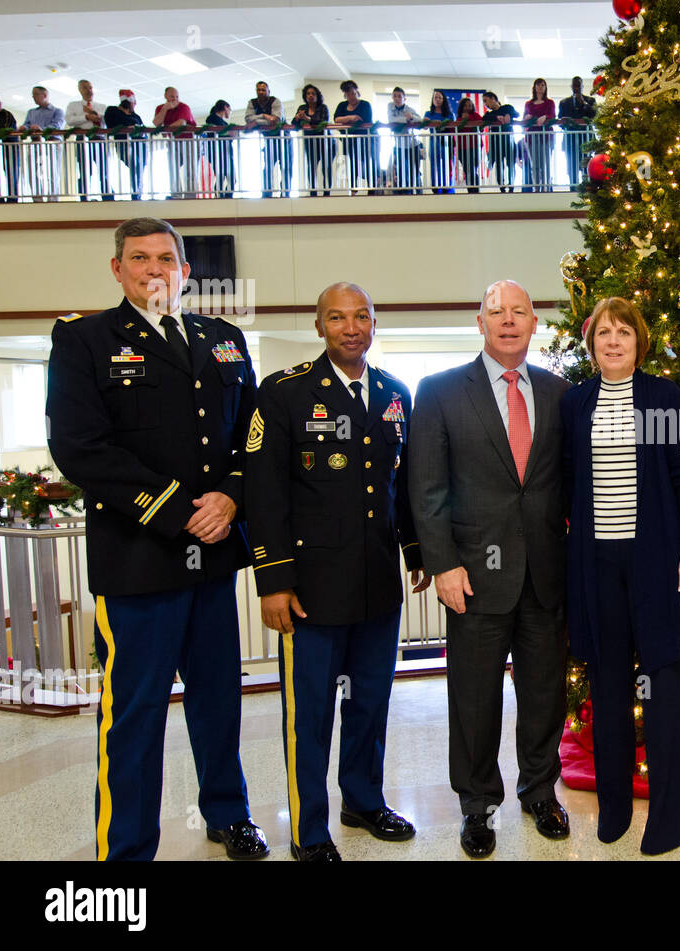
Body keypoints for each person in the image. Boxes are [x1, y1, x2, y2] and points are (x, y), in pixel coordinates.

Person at [45, 216, 267, 861]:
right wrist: (174, 510)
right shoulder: (84, 340)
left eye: (166, 259)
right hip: (138, 561)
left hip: (213, 557)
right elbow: (80, 448)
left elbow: (250, 436)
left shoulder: (222, 339)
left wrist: (230, 497)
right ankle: (127, 850)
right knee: (135, 715)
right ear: (117, 270)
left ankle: (229, 815)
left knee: (219, 700)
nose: (154, 269)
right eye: (139, 258)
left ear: (185, 271)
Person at [246, 282, 426, 861]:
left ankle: (363, 801)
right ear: (320, 325)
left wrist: (416, 551)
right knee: (311, 715)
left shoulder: (395, 393)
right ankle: (308, 829)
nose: (352, 328)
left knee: (371, 702)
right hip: (311, 592)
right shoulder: (285, 393)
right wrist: (273, 580)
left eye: (362, 317)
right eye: (337, 318)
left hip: (377, 585)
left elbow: (399, 489)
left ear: (375, 323)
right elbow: (263, 492)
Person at [408, 280, 571, 858]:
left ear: (534, 324)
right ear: (479, 322)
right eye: (496, 312)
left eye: (518, 312)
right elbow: (426, 489)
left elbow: (569, 485)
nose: (507, 321)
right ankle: (476, 806)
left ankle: (540, 791)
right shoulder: (441, 391)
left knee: (545, 693)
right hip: (473, 576)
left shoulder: (559, 392)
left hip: (547, 575)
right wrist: (443, 564)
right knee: (474, 699)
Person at [561, 297, 680, 854]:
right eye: (603, 334)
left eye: (623, 332)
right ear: (591, 343)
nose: (613, 341)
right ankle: (614, 810)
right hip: (596, 565)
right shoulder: (574, 403)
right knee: (609, 687)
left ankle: (670, 820)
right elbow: (567, 482)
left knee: (666, 690)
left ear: (639, 341)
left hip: (658, 562)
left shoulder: (663, 396)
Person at [65, 79, 110, 200]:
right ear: (80, 90)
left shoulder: (101, 106)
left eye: (90, 87)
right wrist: (86, 116)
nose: (88, 90)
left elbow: (106, 120)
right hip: (83, 139)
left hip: (99, 138)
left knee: (103, 168)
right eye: (85, 88)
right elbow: (70, 120)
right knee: (84, 168)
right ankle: (84, 196)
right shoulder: (73, 105)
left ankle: (106, 195)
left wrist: (93, 114)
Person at [22, 85, 65, 199]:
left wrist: (41, 128)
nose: (33, 97)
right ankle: (37, 199)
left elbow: (57, 125)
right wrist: (23, 128)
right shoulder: (31, 112)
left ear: (45, 95)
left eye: (36, 94)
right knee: (32, 171)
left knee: (52, 172)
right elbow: (27, 124)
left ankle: (53, 199)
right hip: (35, 143)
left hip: (52, 143)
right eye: (33, 95)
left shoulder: (57, 111)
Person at [105, 90, 147, 201]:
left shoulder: (136, 116)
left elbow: (142, 129)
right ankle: (135, 193)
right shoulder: (112, 111)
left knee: (140, 167)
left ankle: (138, 192)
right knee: (134, 164)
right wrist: (128, 128)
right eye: (133, 102)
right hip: (125, 144)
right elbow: (110, 125)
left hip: (140, 146)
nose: (135, 104)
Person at [153, 86, 195, 198]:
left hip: (187, 140)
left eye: (177, 97)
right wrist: (165, 109)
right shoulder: (160, 108)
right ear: (165, 96)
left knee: (190, 168)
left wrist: (166, 130)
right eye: (172, 96)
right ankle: (175, 194)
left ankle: (190, 195)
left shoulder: (184, 107)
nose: (175, 99)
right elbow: (156, 122)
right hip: (173, 141)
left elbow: (181, 122)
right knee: (173, 167)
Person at [332, 80, 374, 192]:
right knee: (350, 162)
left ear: (357, 92)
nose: (351, 96)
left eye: (353, 93)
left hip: (364, 139)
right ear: (345, 95)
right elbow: (336, 119)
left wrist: (345, 120)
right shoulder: (342, 106)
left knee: (366, 162)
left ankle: (371, 187)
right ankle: (353, 187)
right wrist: (352, 117)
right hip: (348, 140)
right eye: (348, 94)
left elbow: (366, 120)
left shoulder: (365, 105)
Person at [293, 84, 333, 197]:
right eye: (308, 94)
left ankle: (327, 191)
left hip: (325, 142)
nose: (310, 96)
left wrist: (307, 119)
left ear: (317, 95)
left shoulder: (323, 107)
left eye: (313, 93)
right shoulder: (302, 108)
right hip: (310, 142)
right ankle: (313, 191)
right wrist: (297, 118)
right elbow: (294, 124)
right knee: (311, 166)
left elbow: (323, 121)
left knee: (326, 167)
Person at [558, 76, 596, 188]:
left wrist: (583, 103)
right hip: (570, 140)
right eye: (574, 85)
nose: (576, 88)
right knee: (571, 165)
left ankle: (587, 189)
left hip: (586, 139)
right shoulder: (564, 103)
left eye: (578, 85)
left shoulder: (590, 101)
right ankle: (573, 188)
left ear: (582, 87)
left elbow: (594, 116)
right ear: (571, 87)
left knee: (586, 164)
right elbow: (560, 121)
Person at [523, 78, 556, 192]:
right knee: (535, 164)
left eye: (543, 85)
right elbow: (525, 120)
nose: (540, 87)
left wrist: (545, 117)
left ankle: (546, 188)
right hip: (532, 137)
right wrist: (527, 118)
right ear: (534, 87)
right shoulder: (528, 104)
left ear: (545, 87)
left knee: (545, 164)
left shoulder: (550, 103)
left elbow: (552, 116)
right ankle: (537, 188)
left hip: (546, 137)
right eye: (538, 85)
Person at [481, 90, 519, 193]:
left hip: (508, 141)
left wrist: (508, 114)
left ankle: (511, 186)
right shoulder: (489, 114)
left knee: (511, 164)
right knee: (499, 165)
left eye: (486, 100)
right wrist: (496, 117)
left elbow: (517, 114)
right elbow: (484, 118)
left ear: (493, 98)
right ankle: (501, 187)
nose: (485, 104)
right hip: (496, 143)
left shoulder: (507, 108)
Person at [386, 86, 422, 193]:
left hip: (412, 144)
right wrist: (405, 119)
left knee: (414, 170)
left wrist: (411, 117)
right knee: (401, 169)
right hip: (399, 145)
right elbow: (391, 120)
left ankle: (414, 191)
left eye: (399, 96)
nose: (397, 99)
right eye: (395, 96)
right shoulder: (390, 107)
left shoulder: (409, 109)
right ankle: (404, 192)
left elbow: (419, 119)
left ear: (404, 98)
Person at [203, 100, 236, 199]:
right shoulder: (212, 118)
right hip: (217, 153)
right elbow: (216, 131)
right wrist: (228, 133)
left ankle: (226, 197)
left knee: (231, 178)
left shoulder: (224, 123)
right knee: (221, 176)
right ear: (225, 107)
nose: (229, 112)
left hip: (226, 152)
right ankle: (220, 197)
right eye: (229, 109)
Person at [423, 89, 454, 194]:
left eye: (440, 97)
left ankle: (447, 185)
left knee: (447, 164)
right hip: (434, 141)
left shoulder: (449, 114)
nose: (437, 99)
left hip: (446, 142)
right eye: (435, 97)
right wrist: (430, 122)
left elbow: (454, 128)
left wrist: (439, 123)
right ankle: (435, 185)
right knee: (434, 164)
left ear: (443, 99)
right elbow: (424, 126)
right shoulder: (429, 113)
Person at [454, 96, 483, 194]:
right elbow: (456, 128)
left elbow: (481, 124)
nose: (467, 107)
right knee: (468, 170)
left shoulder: (475, 115)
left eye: (470, 105)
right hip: (463, 148)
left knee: (473, 169)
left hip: (475, 147)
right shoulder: (458, 118)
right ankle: (471, 191)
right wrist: (463, 119)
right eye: (465, 105)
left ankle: (475, 190)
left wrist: (468, 118)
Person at [0, 93, 19, 202]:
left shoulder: (7, 114)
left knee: (11, 171)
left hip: (10, 147)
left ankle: (13, 198)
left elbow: (3, 129)